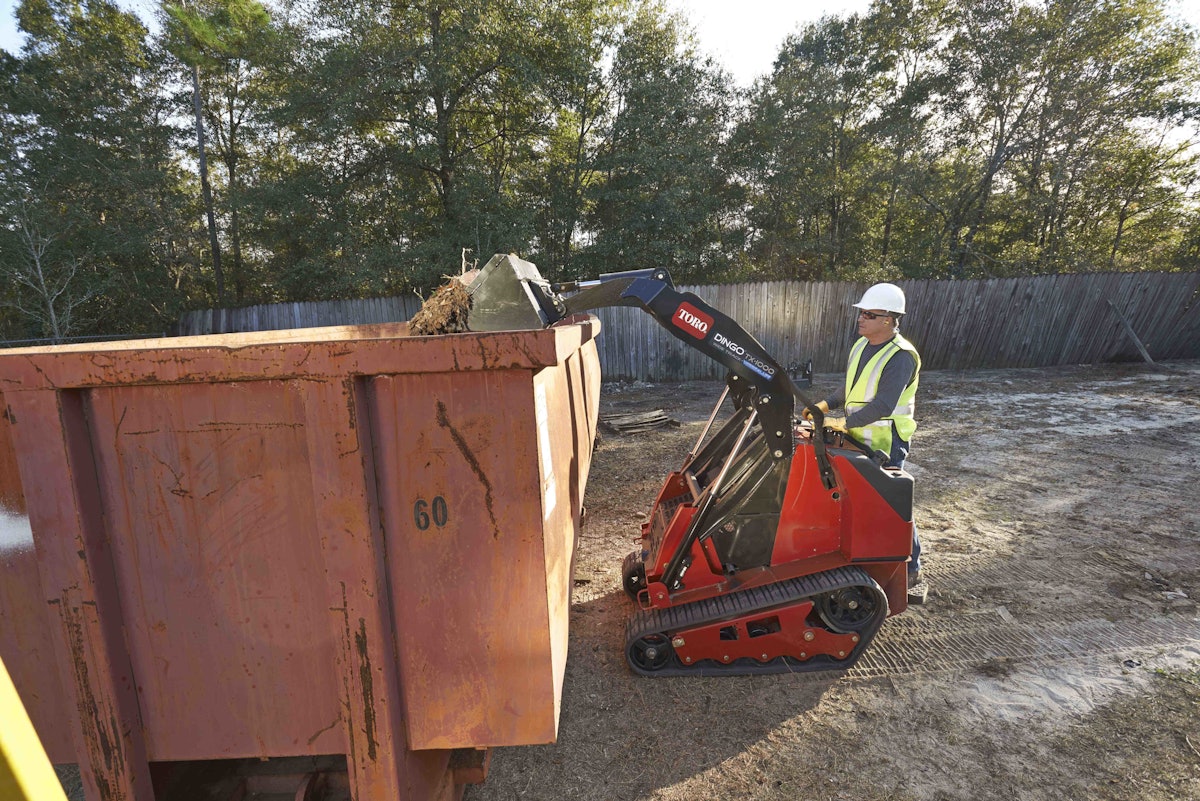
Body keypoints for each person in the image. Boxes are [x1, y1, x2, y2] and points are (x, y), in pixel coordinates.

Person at [802, 282, 925, 595]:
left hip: (887, 441)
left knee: (891, 503)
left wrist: (842, 423)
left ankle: (912, 569)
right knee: (862, 500)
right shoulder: (861, 345)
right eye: (861, 313)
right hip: (860, 433)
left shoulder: (900, 357)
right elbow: (850, 389)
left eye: (868, 314)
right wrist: (825, 405)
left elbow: (884, 404)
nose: (860, 319)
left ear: (888, 319)